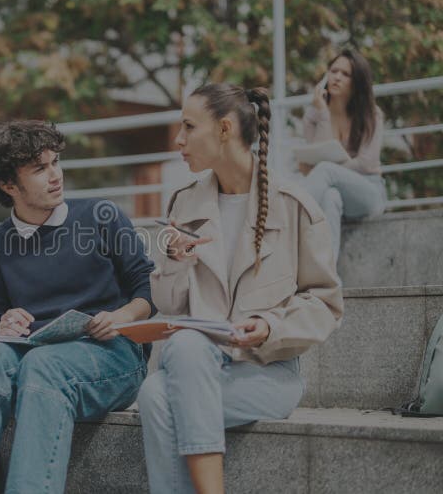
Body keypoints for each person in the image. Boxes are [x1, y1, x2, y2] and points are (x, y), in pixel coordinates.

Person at [136, 84, 343, 494]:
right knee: (158, 388)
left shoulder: (295, 205)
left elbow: (325, 303)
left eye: (189, 127)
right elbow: (167, 303)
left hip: (266, 375)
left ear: (225, 129)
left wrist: (270, 326)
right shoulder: (183, 205)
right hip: (198, 366)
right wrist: (177, 261)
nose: (179, 140)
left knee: (167, 378)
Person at [0, 120, 156, 494]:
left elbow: (147, 292)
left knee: (42, 366)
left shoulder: (101, 217)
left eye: (56, 162)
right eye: (40, 169)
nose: (55, 176)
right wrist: (6, 323)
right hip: (34, 353)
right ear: (9, 186)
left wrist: (121, 316)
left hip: (113, 355)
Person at [300, 48, 387, 260]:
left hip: (369, 193)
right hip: (334, 194)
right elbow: (310, 163)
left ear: (357, 82)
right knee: (330, 197)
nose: (336, 77)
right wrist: (322, 115)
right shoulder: (313, 114)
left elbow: (366, 164)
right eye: (333, 70)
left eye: (345, 74)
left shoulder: (371, 114)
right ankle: (330, 280)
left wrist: (328, 169)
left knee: (326, 170)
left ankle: (291, 218)